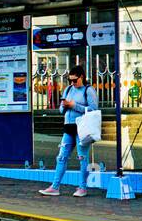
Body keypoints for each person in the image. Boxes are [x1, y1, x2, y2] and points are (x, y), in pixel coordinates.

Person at [39, 65, 98, 197]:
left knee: (82, 157)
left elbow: (94, 109)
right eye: (70, 80)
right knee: (61, 157)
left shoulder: (88, 90)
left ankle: (82, 188)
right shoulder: (68, 89)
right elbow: (61, 110)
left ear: (81, 77)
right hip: (68, 127)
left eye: (75, 80)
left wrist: (74, 106)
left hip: (82, 128)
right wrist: (65, 106)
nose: (72, 83)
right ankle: (55, 186)